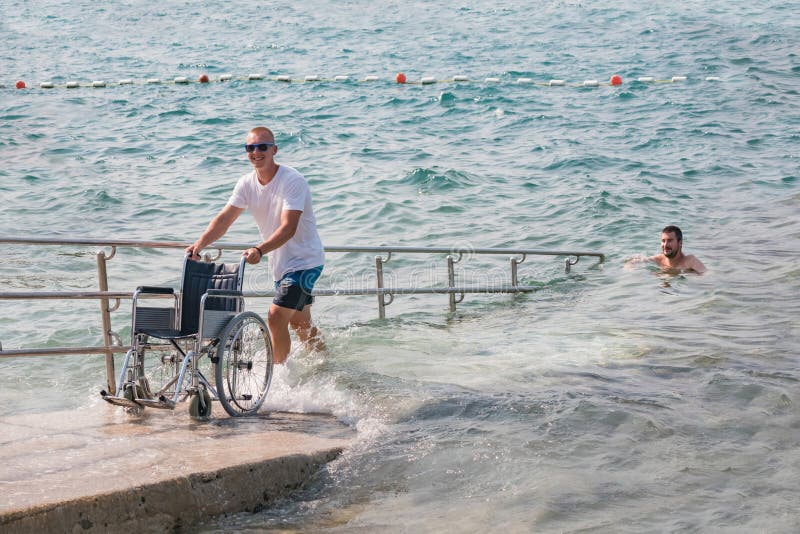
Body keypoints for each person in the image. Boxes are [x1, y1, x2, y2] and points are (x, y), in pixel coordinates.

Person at [186, 126, 326, 363]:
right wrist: (200, 244)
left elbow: (289, 227)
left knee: (274, 317)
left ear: (274, 150)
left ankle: (277, 377)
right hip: (281, 264)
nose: (256, 152)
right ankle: (325, 362)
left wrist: (260, 250)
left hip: (305, 262)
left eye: (262, 146)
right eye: (250, 148)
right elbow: (225, 218)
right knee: (300, 324)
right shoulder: (246, 183)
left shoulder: (293, 180)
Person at [628, 225, 706, 274]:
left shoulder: (689, 261)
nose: (665, 245)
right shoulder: (659, 260)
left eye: (670, 240)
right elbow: (637, 261)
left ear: (680, 243)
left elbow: (706, 276)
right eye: (663, 241)